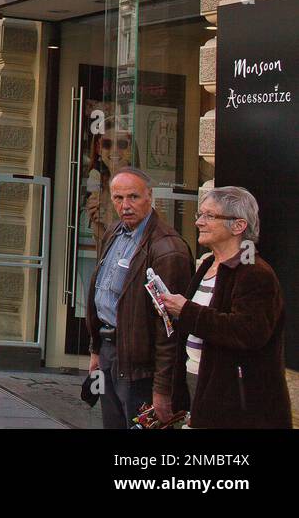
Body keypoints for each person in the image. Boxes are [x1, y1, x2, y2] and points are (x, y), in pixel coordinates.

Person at [159, 187, 292, 429]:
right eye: (200, 215)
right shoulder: (209, 263)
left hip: (238, 406)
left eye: (209, 216)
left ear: (239, 225)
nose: (199, 222)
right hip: (199, 384)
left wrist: (187, 311)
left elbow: (248, 332)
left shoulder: (255, 272)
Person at [86, 167, 193, 428]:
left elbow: (170, 327)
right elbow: (102, 296)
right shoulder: (114, 232)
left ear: (150, 197)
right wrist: (96, 349)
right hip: (110, 350)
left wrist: (162, 389)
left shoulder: (167, 248)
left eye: (133, 197)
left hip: (140, 366)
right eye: (118, 198)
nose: (125, 205)